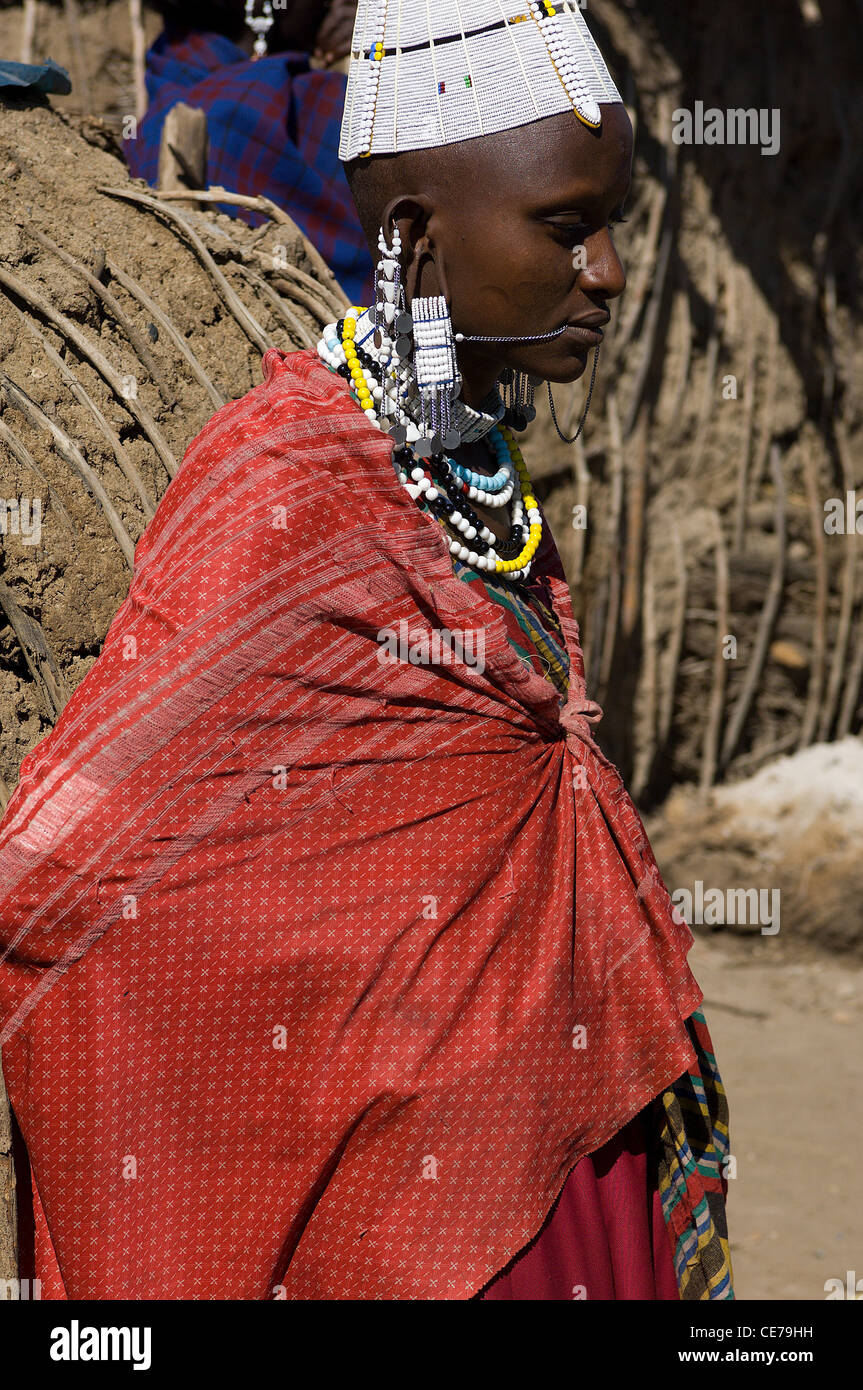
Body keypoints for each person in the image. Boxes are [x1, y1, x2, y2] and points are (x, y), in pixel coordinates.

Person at [0, 1, 733, 1300]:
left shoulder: (476, 457)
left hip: (564, 1144)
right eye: (566, 229)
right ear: (410, 238)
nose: (608, 271)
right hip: (409, 1209)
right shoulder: (286, 474)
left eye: (610, 224)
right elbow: (70, 862)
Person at [125, 0, 374, 306]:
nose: (338, 5)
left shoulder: (148, 123)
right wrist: (382, 48)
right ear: (259, 7)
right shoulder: (325, 107)